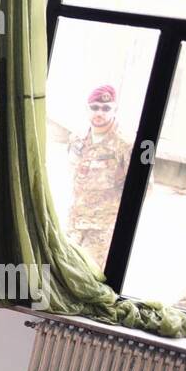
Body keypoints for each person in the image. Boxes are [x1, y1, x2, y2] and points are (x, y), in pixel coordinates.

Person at [66, 84, 131, 272]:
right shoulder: (77, 138)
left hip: (102, 227)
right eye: (94, 107)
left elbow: (144, 189)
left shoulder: (125, 144)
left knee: (89, 275)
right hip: (74, 221)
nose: (99, 112)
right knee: (65, 273)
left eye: (106, 108)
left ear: (115, 109)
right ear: (87, 108)